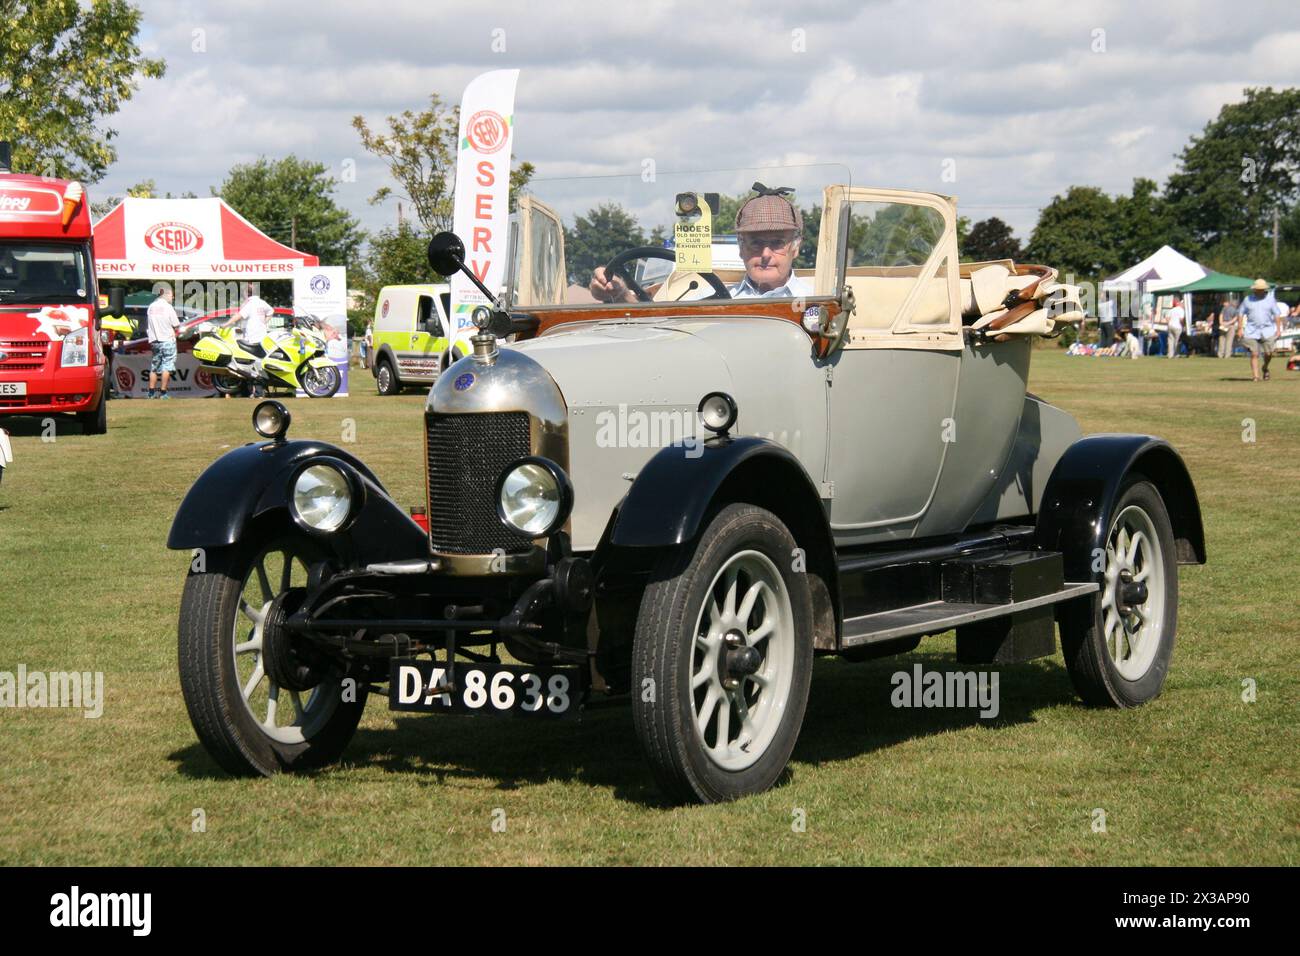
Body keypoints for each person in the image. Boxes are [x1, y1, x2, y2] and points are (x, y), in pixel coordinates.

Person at [589, 183, 813, 302]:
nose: (765, 254)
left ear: (795, 247)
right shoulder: (713, 300)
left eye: (776, 243)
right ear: (741, 248)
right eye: (755, 243)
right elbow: (658, 322)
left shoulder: (817, 303)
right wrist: (619, 293)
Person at [1239, 278, 1285, 381]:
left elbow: (1277, 315)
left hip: (1267, 330)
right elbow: (1240, 313)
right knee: (1254, 353)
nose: (1260, 291)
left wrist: (1278, 329)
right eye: (1258, 289)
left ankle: (1265, 367)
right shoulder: (1247, 299)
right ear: (1254, 290)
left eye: (1262, 289)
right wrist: (1240, 328)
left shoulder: (1270, 300)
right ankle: (1256, 376)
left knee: (1269, 353)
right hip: (1251, 330)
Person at [146, 285, 180, 399]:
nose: (173, 297)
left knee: (154, 367)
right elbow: (176, 324)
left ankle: (151, 392)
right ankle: (163, 392)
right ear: (166, 295)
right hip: (167, 339)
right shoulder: (168, 307)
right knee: (167, 366)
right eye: (171, 295)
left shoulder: (151, 307)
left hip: (154, 340)